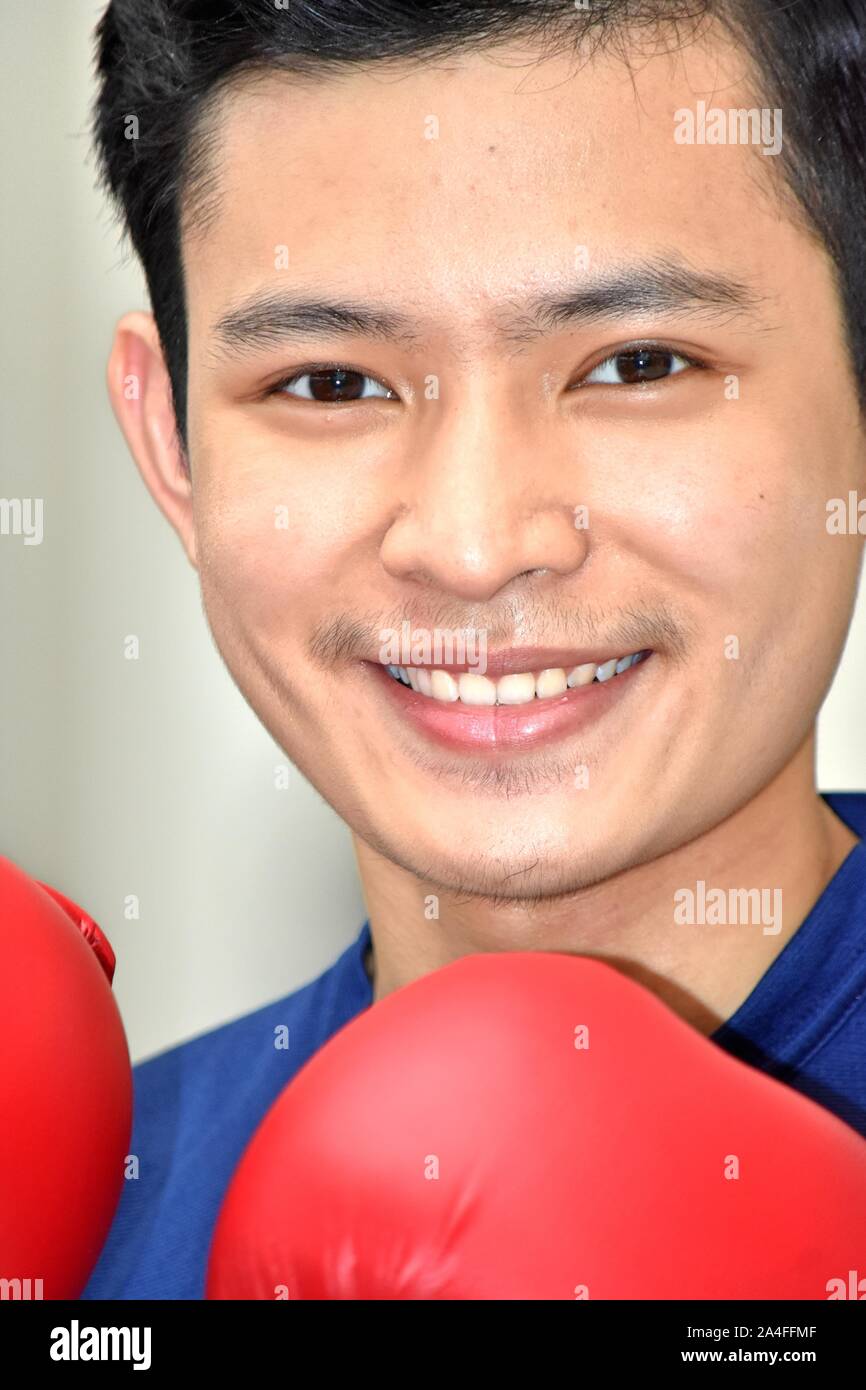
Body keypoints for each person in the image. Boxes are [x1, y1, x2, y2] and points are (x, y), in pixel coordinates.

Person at [84, 0, 866, 1299]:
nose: (472, 541)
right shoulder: (86, 1214)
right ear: (171, 445)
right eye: (329, 383)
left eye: (636, 363)